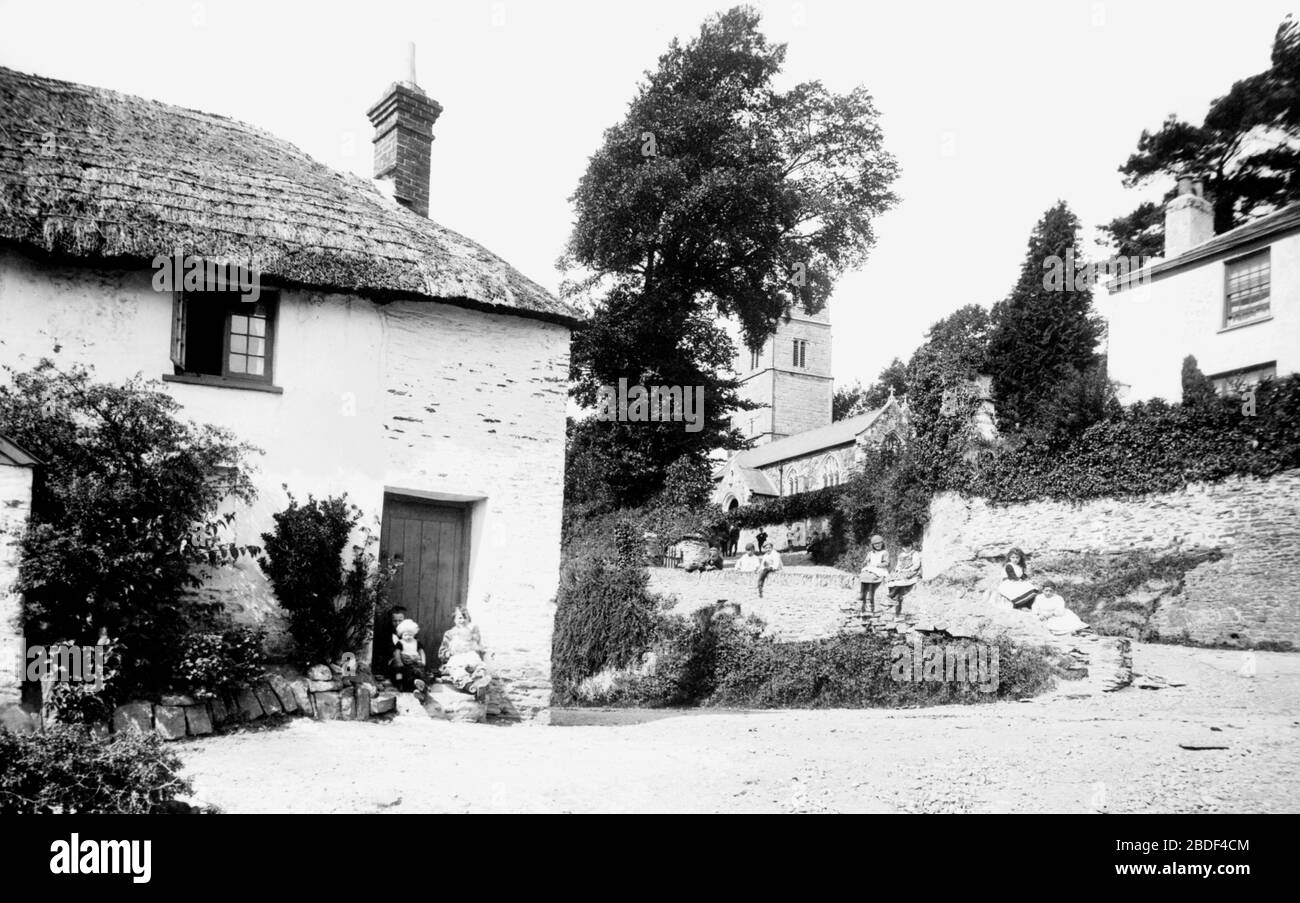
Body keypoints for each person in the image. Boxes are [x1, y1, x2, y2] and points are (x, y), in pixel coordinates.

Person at [438, 606, 492, 698]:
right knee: (459, 673)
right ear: (454, 619)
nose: (462, 620)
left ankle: (479, 683)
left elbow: (478, 648)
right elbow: (441, 653)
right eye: (460, 618)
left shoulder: (472, 633)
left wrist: (479, 653)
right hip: (456, 660)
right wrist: (450, 653)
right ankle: (471, 687)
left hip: (471, 659)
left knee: (480, 668)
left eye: (465, 618)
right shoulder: (449, 634)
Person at [391, 617, 430, 697]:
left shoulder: (416, 642)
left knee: (421, 673)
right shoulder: (400, 643)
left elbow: (421, 652)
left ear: (414, 634)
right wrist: (399, 662)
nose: (408, 637)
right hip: (404, 663)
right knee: (402, 674)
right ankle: (406, 685)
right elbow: (397, 653)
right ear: (401, 635)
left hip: (416, 663)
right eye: (406, 635)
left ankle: (421, 686)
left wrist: (423, 661)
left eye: (410, 635)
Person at [885, 538, 922, 614]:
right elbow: (898, 565)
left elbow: (916, 565)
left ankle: (891, 596)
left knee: (901, 579)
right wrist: (898, 570)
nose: (907, 548)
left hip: (911, 571)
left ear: (911, 546)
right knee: (891, 578)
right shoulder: (901, 555)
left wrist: (907, 570)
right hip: (902, 571)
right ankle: (893, 599)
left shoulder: (915, 554)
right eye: (905, 547)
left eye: (908, 546)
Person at [857, 534, 890, 612]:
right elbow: (866, 560)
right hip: (871, 568)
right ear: (873, 545)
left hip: (879, 569)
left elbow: (887, 563)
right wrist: (864, 562)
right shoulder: (870, 553)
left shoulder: (884, 552)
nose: (877, 545)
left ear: (882, 543)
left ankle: (870, 597)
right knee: (862, 575)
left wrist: (879, 564)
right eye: (875, 544)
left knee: (871, 578)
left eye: (879, 543)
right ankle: (862, 594)